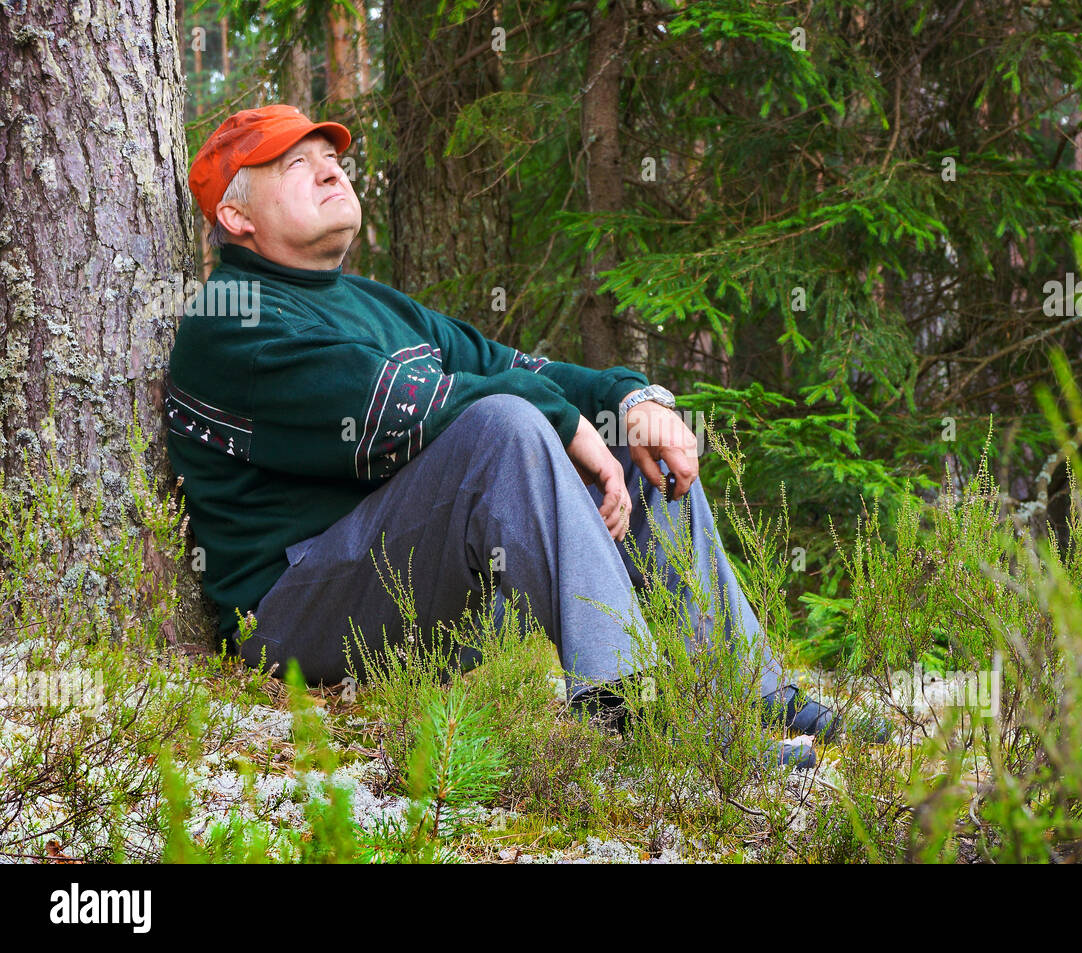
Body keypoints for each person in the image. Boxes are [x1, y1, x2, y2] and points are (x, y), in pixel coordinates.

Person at [166, 105, 876, 768]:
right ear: (236, 213)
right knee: (501, 426)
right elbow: (411, 405)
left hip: (402, 589)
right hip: (292, 614)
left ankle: (751, 690)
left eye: (332, 157)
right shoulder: (232, 321)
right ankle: (636, 712)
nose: (330, 169)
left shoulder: (374, 302)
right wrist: (565, 423)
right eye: (296, 165)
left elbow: (516, 366)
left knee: (629, 441)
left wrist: (631, 400)